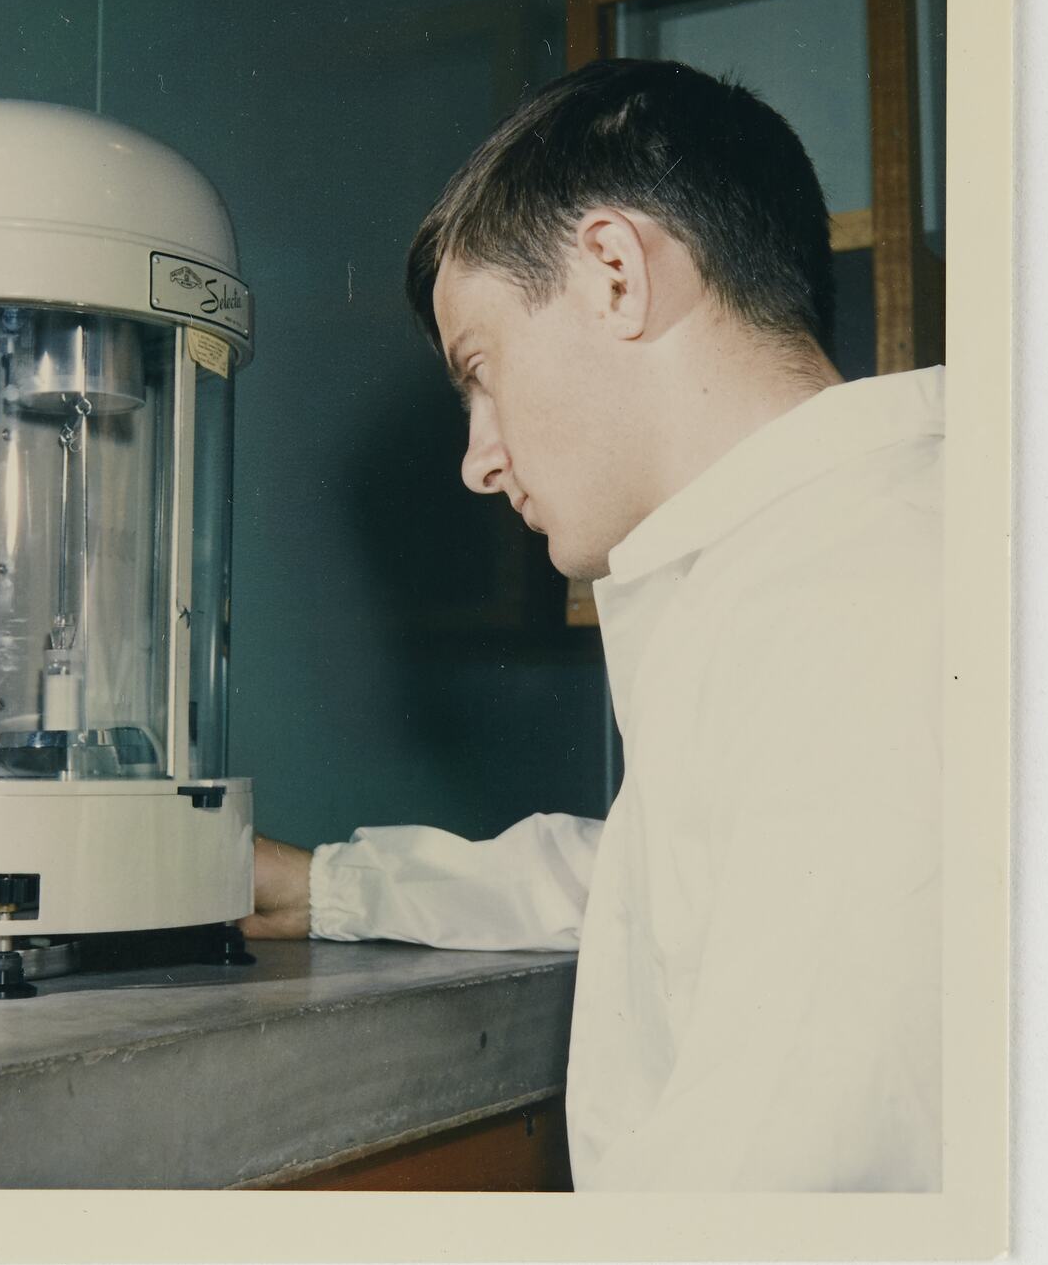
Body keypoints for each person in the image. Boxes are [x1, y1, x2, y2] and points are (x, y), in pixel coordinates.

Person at [243, 59, 943, 1192]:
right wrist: (331, 884)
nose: (479, 460)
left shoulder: (865, 610)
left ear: (616, 274)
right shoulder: (817, 575)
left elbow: (770, 1204)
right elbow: (641, 877)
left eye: (481, 370)